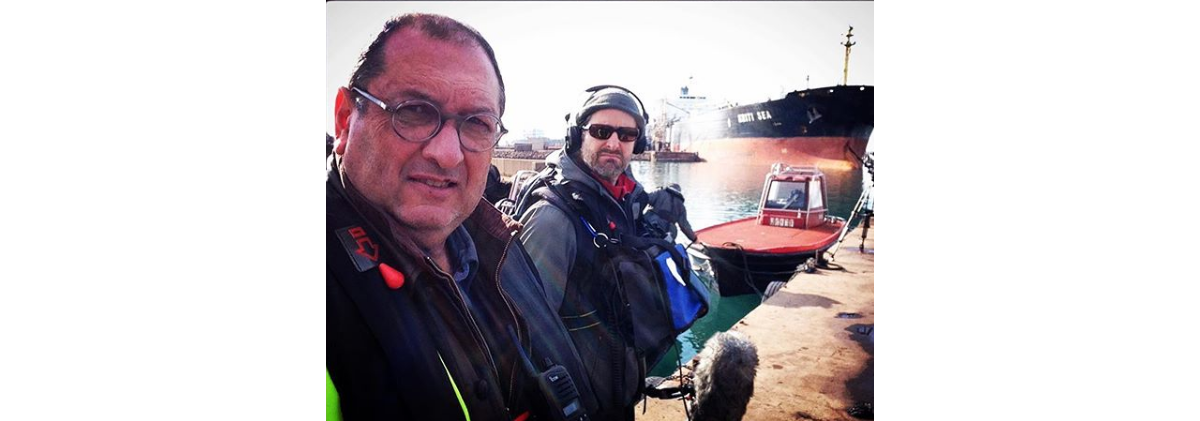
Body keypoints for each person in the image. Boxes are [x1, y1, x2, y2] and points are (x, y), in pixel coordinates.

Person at [326, 13, 597, 421]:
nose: (447, 154)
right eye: (414, 111)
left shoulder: (499, 244)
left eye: (477, 124)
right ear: (347, 119)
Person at [516, 85, 677, 420]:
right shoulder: (554, 219)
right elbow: (525, 335)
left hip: (618, 397)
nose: (614, 143)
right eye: (601, 131)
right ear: (577, 136)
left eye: (627, 134)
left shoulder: (622, 201)